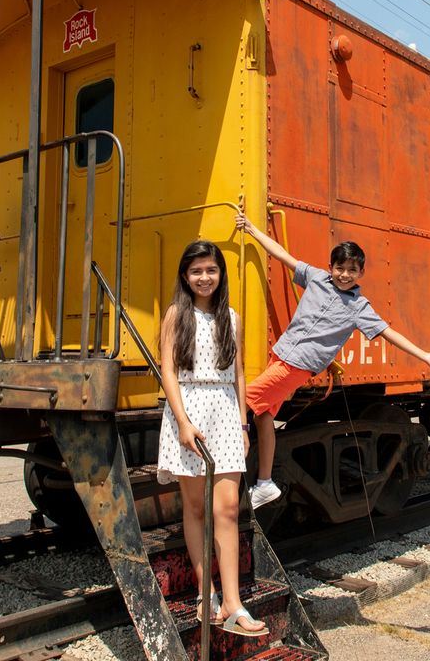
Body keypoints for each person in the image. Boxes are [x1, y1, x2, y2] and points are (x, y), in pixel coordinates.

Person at [235, 214, 430, 509]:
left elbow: (389, 333)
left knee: (240, 400)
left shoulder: (359, 307)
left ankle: (215, 454)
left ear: (361, 272)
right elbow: (282, 255)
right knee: (264, 416)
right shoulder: (316, 278)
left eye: (352, 270)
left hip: (297, 365)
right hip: (282, 354)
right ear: (331, 267)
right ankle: (264, 484)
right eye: (340, 268)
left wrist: (424, 355)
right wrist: (251, 230)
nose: (345, 274)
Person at [156, 240, 268, 636]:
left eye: (211, 270)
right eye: (196, 271)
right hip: (187, 411)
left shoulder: (232, 318)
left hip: (223, 412)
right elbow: (167, 371)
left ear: (220, 275)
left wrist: (242, 424)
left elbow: (238, 374)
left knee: (228, 510)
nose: (204, 277)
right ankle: (207, 593)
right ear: (185, 277)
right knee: (196, 508)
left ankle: (234, 603)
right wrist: (183, 422)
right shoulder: (175, 315)